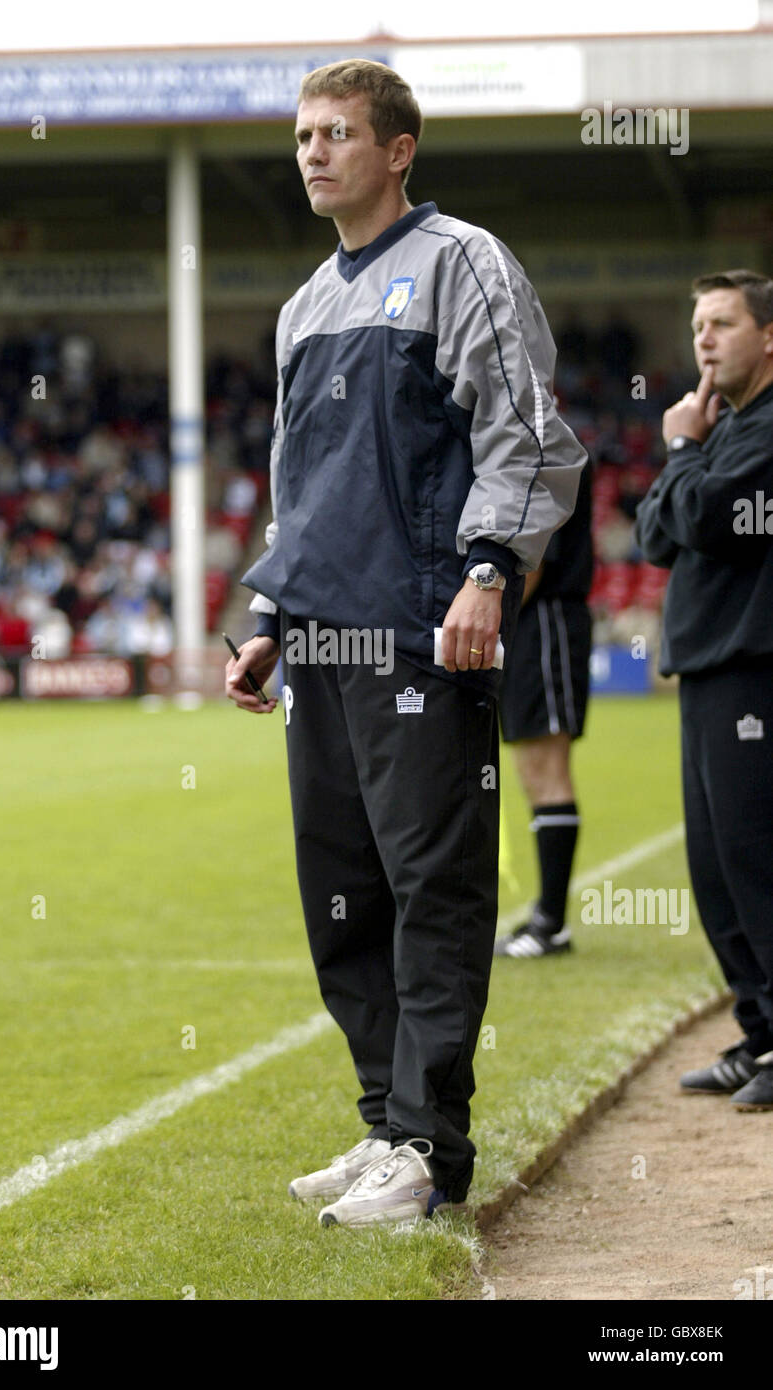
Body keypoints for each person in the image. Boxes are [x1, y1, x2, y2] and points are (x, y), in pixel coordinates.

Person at [226, 58, 586, 1225]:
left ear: (397, 149)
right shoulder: (299, 309)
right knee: (341, 895)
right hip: (319, 645)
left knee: (428, 886)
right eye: (300, 135)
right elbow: (297, 482)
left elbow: (529, 435)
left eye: (336, 132)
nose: (313, 151)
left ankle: (430, 1151)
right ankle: (383, 1121)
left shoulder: (460, 263)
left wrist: (488, 572)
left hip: (420, 632)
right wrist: (269, 616)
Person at [635, 269, 773, 1110]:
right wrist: (689, 456)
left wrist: (683, 452)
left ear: (769, 337)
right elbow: (658, 530)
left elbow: (710, 517)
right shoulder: (721, 426)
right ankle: (760, 1034)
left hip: (753, 667)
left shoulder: (763, 429)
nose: (705, 340)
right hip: (706, 667)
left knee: (757, 859)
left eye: (724, 323)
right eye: (698, 326)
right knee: (717, 867)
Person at [493, 459, 593, 957]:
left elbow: (533, 561)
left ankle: (551, 923)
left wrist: (493, 617)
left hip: (546, 622)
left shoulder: (549, 450)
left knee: (546, 769)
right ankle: (547, 919)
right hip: (533, 625)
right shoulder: (536, 445)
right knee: (535, 771)